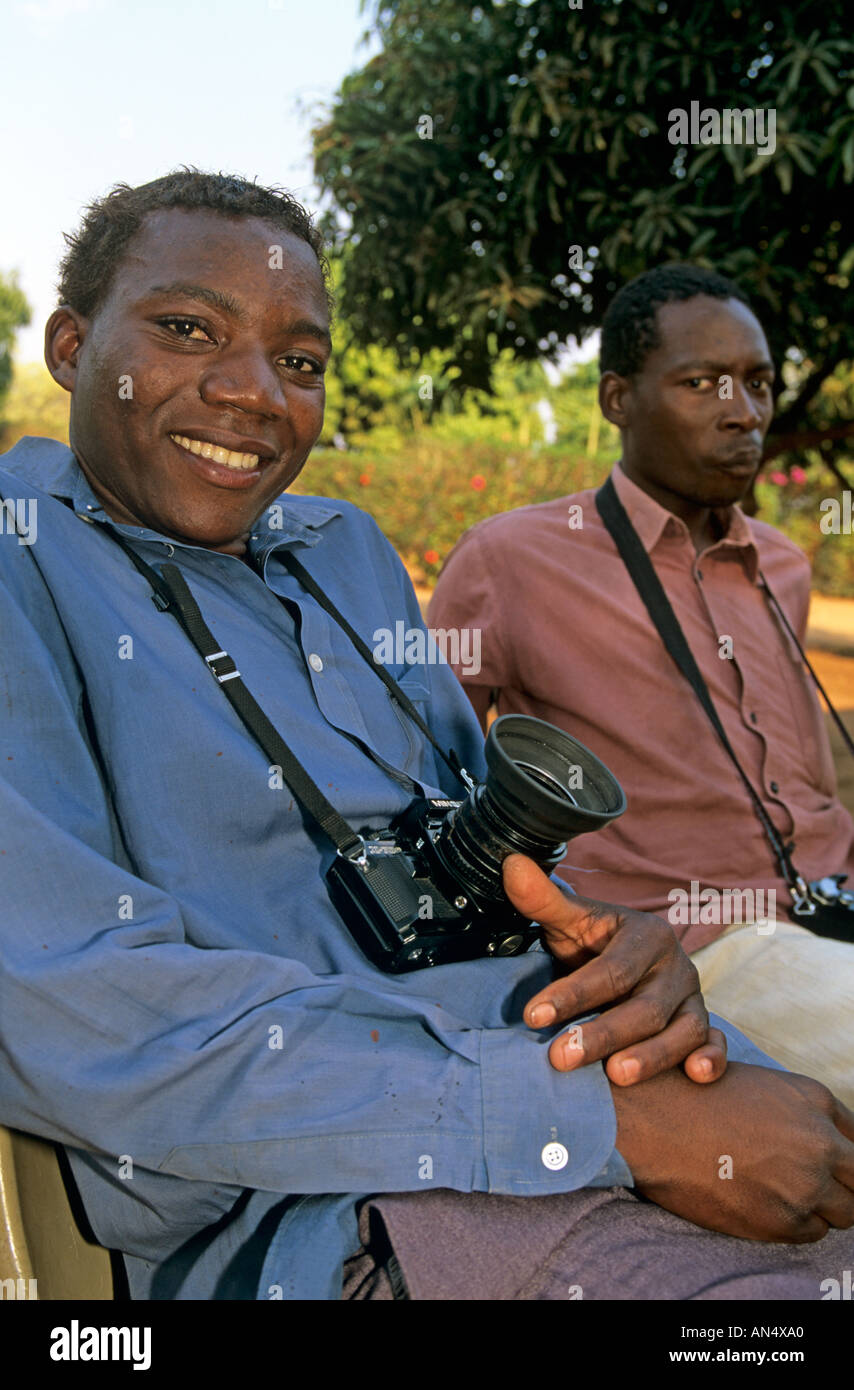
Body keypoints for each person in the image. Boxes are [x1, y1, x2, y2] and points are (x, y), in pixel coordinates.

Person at [1, 182, 852, 1302]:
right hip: (352, 1208)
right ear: (71, 346)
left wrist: (617, 947)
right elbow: (67, 1000)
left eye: (299, 361)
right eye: (188, 329)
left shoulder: (343, 547)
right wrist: (598, 1120)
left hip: (581, 1074)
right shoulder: (24, 562)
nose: (253, 393)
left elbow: (488, 850)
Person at [428, 264, 854, 1109]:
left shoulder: (785, 564)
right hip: (691, 947)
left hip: (830, 911)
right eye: (701, 383)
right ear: (617, 399)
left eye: (761, 383)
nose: (745, 411)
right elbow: (432, 786)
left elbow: (799, 774)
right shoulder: (509, 560)